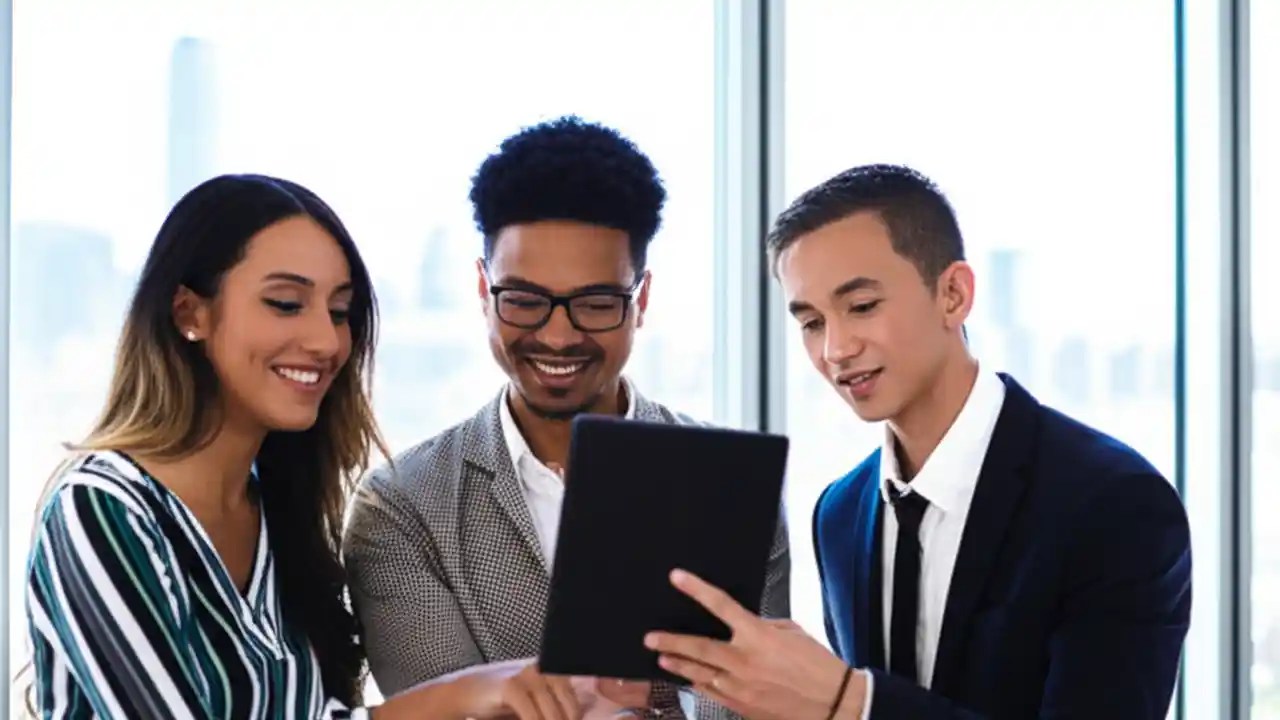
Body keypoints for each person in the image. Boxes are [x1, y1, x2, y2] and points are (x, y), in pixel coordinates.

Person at [23, 174, 584, 719]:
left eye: (339, 312)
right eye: (286, 303)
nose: (326, 341)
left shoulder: (280, 511)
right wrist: (456, 695)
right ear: (189, 313)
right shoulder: (101, 508)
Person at [644, 164, 1192, 718]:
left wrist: (850, 701)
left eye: (861, 307)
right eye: (811, 323)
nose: (835, 350)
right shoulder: (839, 513)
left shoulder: (1114, 504)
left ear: (953, 294)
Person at [343, 116, 791, 719]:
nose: (557, 336)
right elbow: (447, 710)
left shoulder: (731, 485)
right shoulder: (403, 504)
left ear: (641, 300)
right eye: (524, 301)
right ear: (483, 290)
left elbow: (758, 706)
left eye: (596, 304)